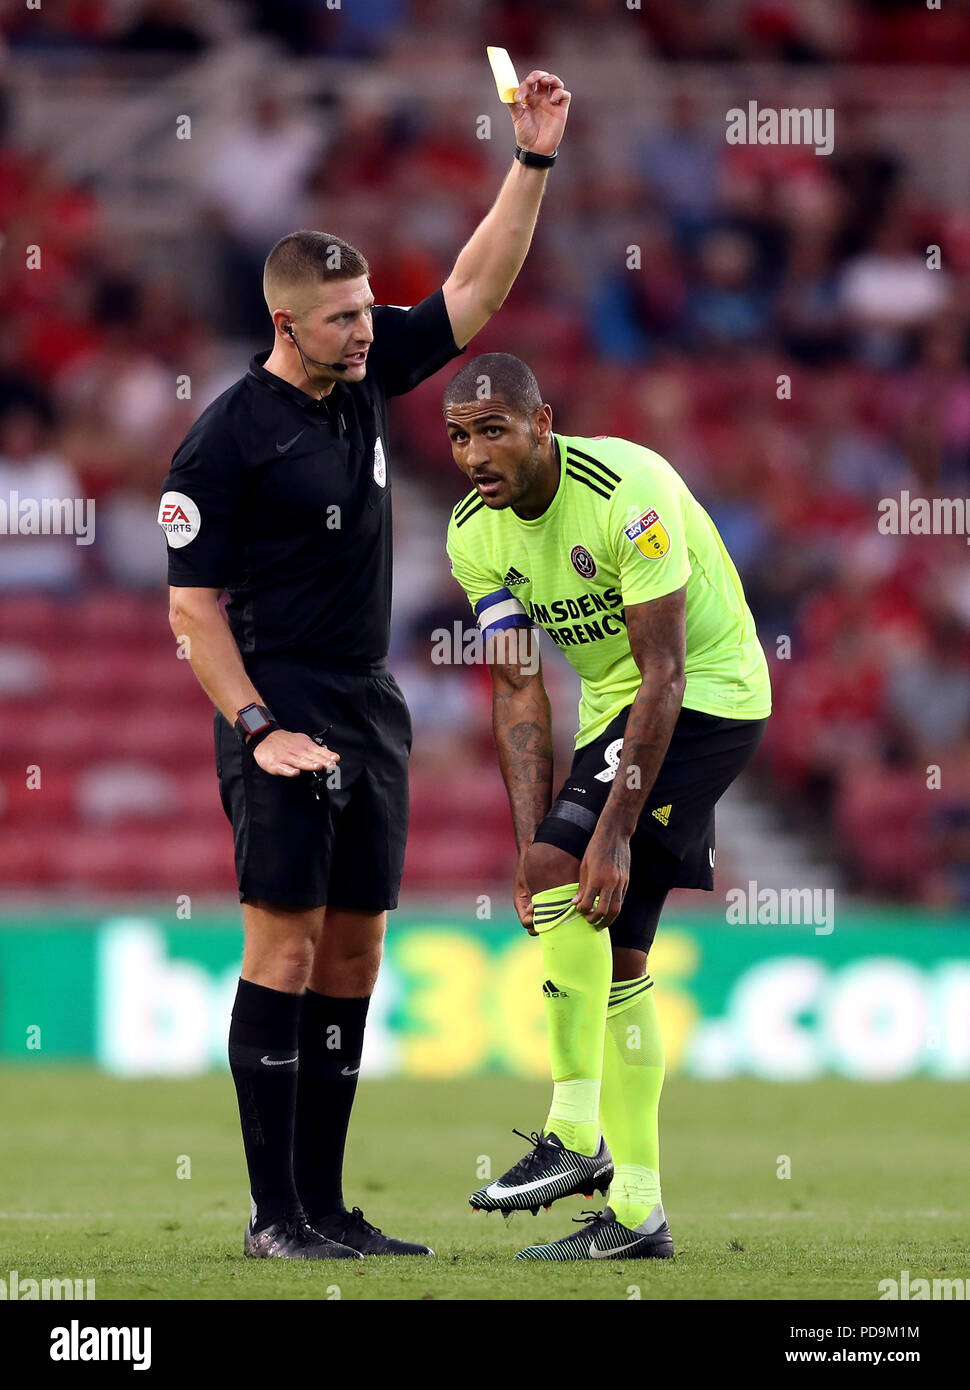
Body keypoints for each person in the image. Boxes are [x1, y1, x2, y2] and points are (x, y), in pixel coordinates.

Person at [158, 73, 571, 1261]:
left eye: (366, 308)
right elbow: (191, 612)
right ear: (289, 324)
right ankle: (271, 1215)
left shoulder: (362, 370)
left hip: (366, 695)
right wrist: (254, 727)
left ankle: (329, 1207)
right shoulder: (226, 438)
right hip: (281, 695)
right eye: (343, 316)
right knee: (280, 944)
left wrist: (531, 161)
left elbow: (474, 292)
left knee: (355, 949)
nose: (367, 326)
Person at [443, 353, 771, 1260]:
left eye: (493, 430)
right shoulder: (474, 535)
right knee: (616, 953)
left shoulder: (631, 488)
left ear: (542, 423)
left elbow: (664, 671)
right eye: (459, 436)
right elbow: (516, 688)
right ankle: (638, 1214)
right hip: (614, 713)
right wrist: (528, 841)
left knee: (573, 869)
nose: (474, 453)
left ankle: (575, 1132)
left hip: (708, 696)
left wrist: (606, 836)